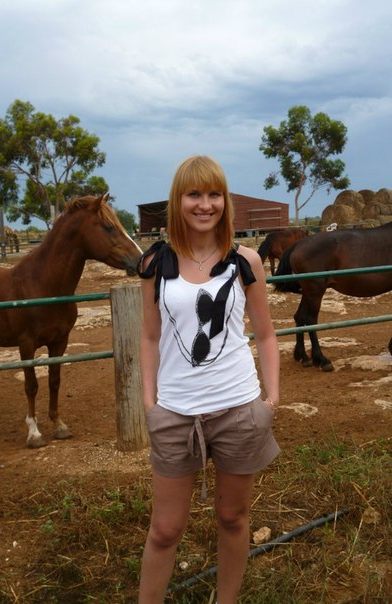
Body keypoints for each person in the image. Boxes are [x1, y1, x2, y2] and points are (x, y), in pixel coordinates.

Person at [137, 155, 280, 603]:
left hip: (238, 410)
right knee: (165, 529)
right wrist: (150, 403)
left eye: (214, 194)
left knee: (233, 518)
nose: (205, 204)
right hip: (175, 413)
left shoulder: (245, 261)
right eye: (194, 194)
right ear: (177, 201)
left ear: (225, 201)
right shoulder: (155, 264)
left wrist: (271, 399)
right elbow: (149, 337)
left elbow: (266, 333)